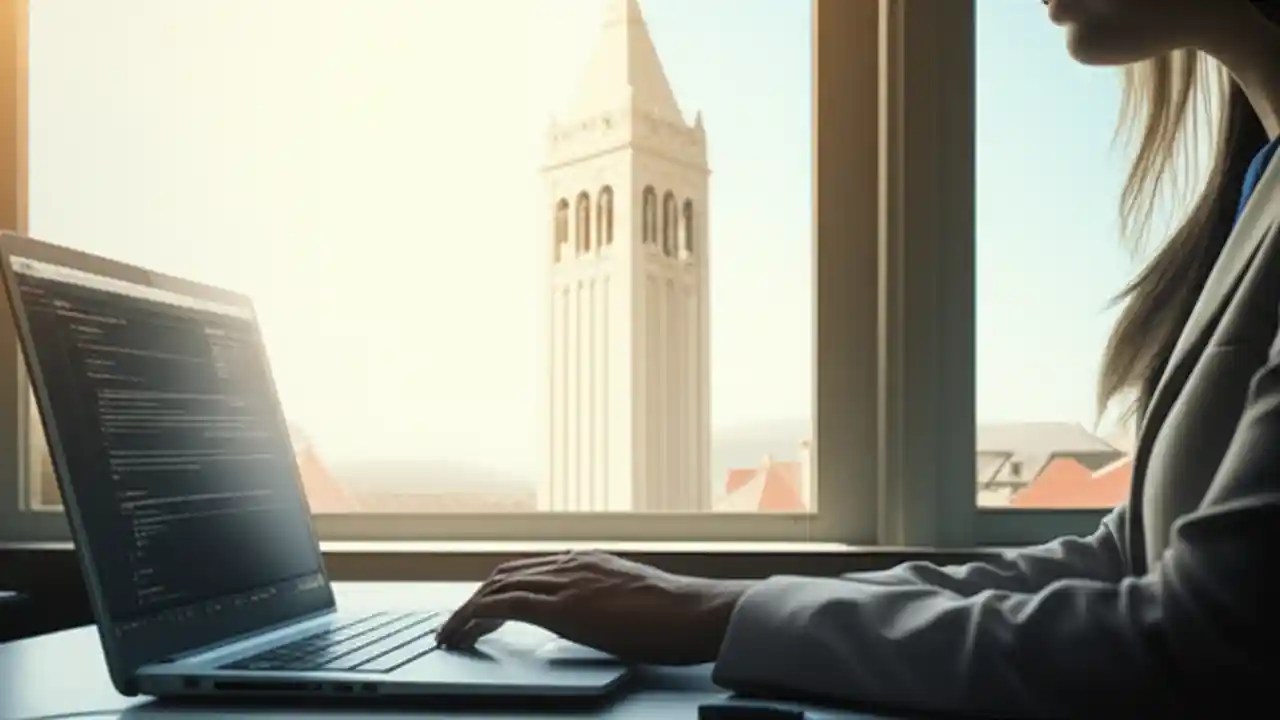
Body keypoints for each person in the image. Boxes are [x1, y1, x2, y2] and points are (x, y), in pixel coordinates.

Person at [438, 0, 1279, 715]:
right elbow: (1121, 560)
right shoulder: (1259, 192)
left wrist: (714, 614)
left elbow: (1199, 644)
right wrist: (717, 601)